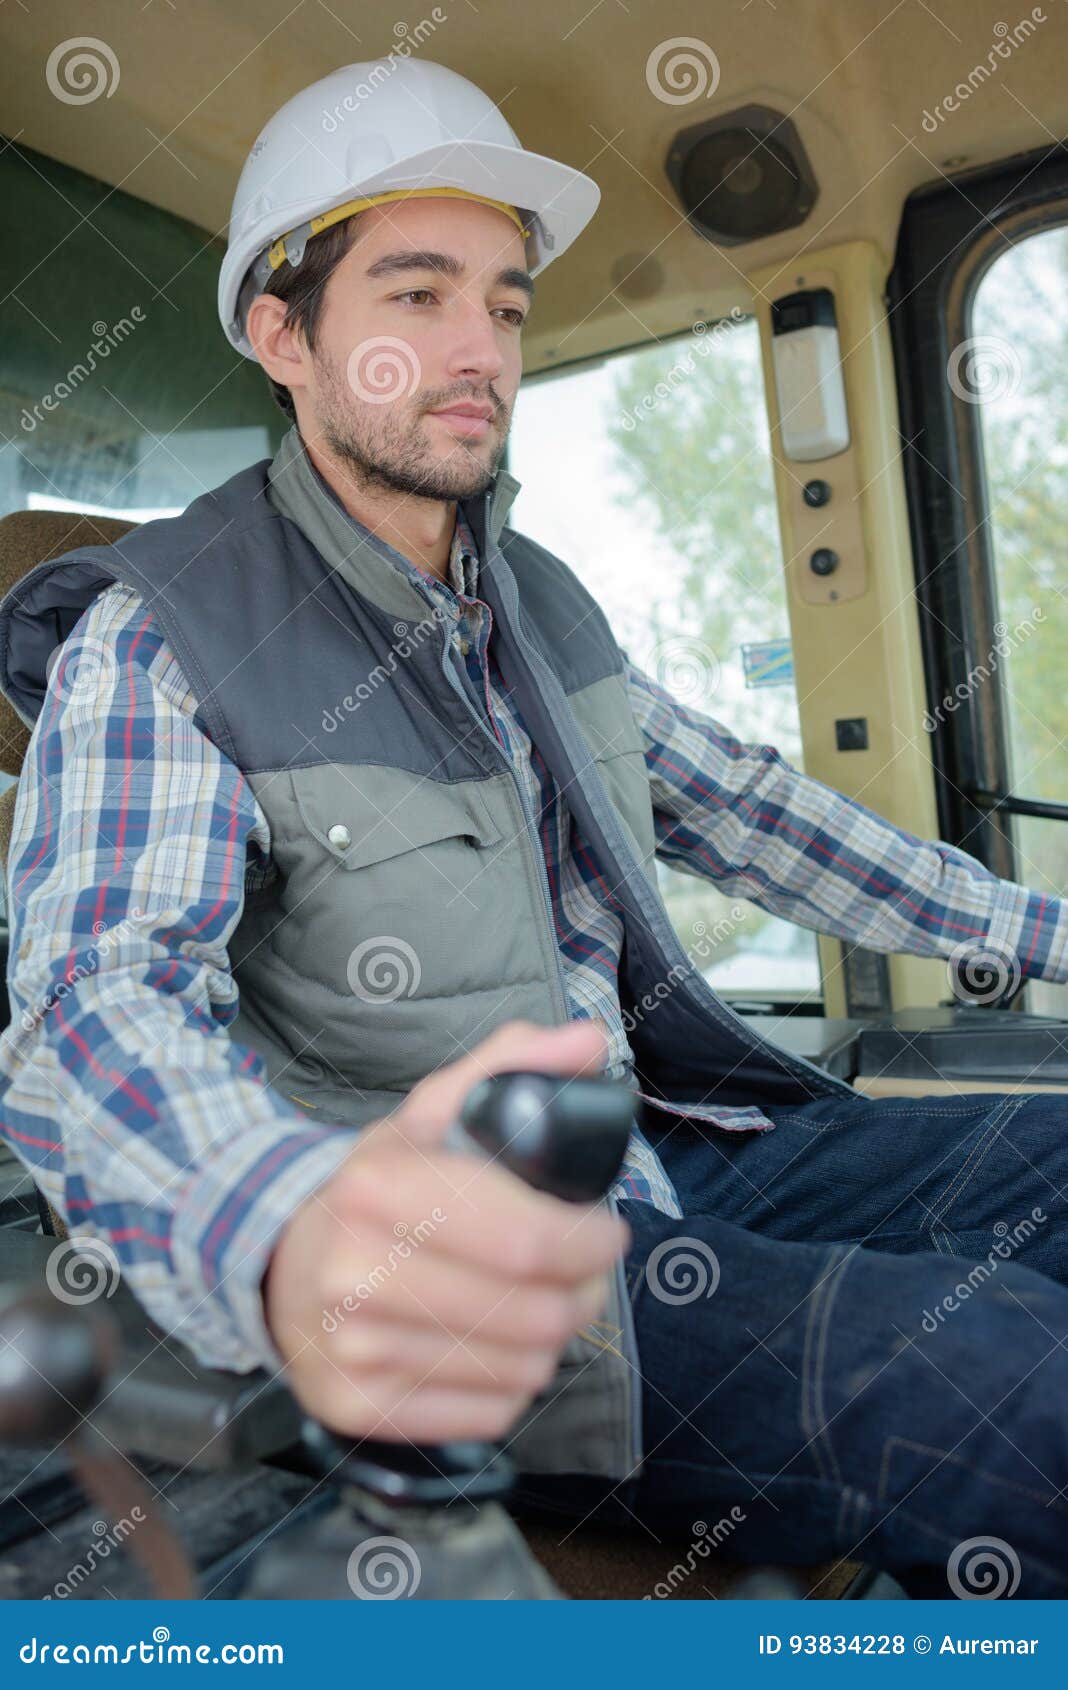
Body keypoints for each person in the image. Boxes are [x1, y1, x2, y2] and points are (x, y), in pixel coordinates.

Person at [0, 57, 1066, 1600]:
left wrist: (1042, 930)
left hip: (681, 1160)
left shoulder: (541, 603)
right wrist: (299, 1233)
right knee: (1007, 1383)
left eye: (502, 305)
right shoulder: (163, 638)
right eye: (418, 295)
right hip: (467, 1279)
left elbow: (761, 816)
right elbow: (93, 1010)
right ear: (282, 335)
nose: (479, 349)